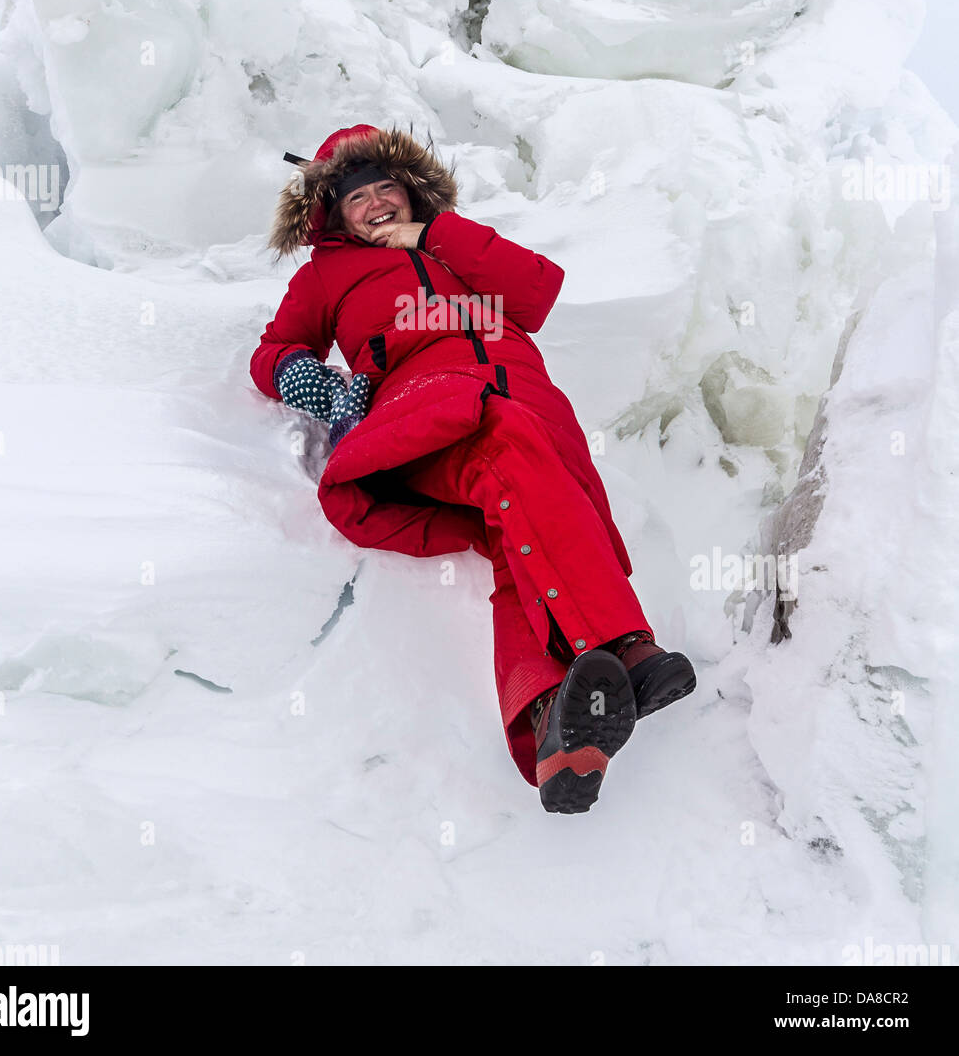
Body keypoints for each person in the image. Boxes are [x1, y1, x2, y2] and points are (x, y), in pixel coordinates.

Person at [250, 122, 695, 813]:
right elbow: (273, 349)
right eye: (355, 197)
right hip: (426, 411)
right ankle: (623, 647)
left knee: (520, 533)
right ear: (330, 214)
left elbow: (536, 294)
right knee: (505, 443)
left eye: (384, 188)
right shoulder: (323, 276)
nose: (374, 205)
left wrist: (434, 236)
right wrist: (319, 385)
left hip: (531, 410)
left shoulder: (457, 248)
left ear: (408, 191)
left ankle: (554, 730)